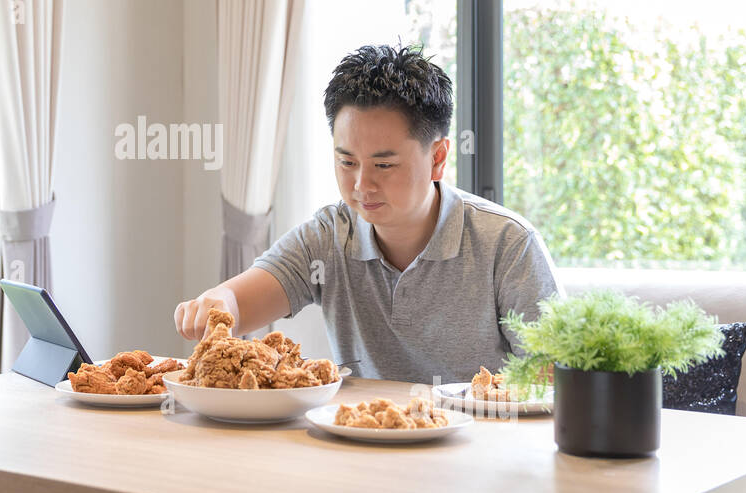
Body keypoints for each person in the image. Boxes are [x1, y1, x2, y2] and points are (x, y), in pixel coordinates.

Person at [173, 43, 563, 384]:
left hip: (478, 452)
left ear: (438, 157)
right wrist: (217, 303)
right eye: (346, 162)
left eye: (384, 165)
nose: (361, 185)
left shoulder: (508, 244)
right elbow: (239, 302)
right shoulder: (327, 237)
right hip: (361, 444)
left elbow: (556, 382)